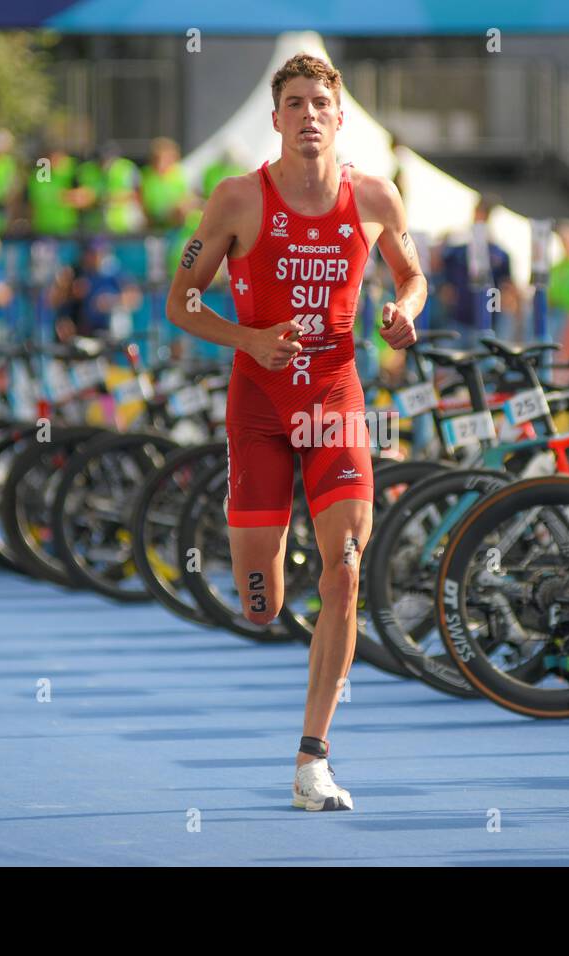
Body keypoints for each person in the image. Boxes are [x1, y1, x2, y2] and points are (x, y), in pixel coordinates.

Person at [164, 52, 422, 812]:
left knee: (344, 573)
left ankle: (313, 758)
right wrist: (248, 339)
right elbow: (180, 301)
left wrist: (408, 310)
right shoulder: (235, 200)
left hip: (337, 404)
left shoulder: (376, 197)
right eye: (296, 103)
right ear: (275, 119)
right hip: (260, 411)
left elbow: (413, 274)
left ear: (341, 117)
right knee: (260, 604)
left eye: (321, 103)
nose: (309, 114)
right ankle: (264, 547)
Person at [438, 196, 517, 345]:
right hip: (458, 319)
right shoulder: (458, 248)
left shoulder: (499, 253)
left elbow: (507, 288)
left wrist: (498, 306)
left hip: (487, 322)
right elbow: (445, 280)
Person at [139, 137, 194, 230]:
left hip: (173, 221)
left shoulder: (178, 175)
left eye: (166, 159)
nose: (161, 164)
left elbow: (186, 199)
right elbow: (141, 199)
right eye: (158, 159)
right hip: (153, 221)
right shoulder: (146, 175)